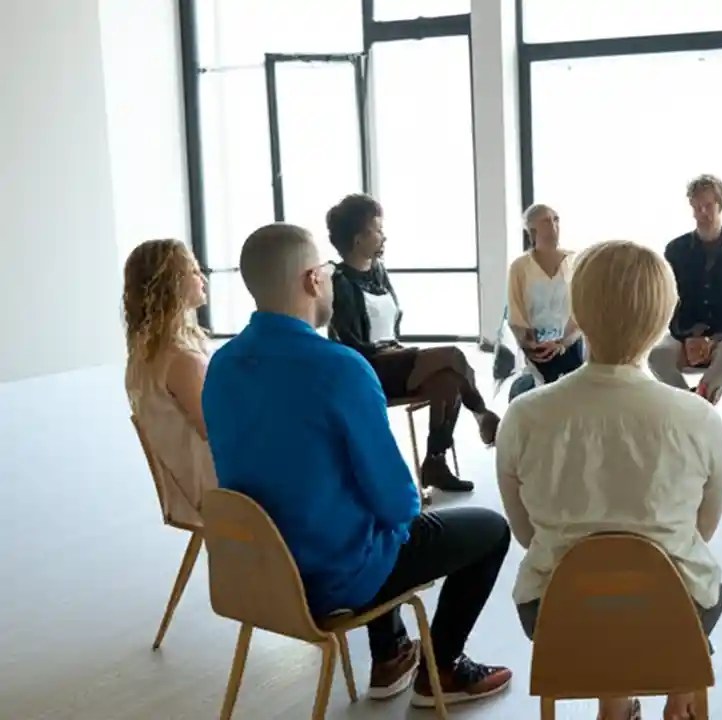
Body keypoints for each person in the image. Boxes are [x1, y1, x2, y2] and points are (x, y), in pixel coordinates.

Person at [203, 223, 513, 709]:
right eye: (325, 272)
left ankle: (390, 652)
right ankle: (444, 671)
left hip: (258, 572)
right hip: (332, 577)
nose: (329, 279)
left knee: (348, 506)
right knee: (490, 530)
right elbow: (399, 504)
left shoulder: (221, 365)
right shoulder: (339, 368)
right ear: (312, 281)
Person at [497, 240, 722, 720]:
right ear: (665, 317)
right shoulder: (696, 417)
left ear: (576, 312)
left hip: (555, 616)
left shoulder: (524, 415)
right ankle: (678, 684)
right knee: (697, 582)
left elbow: (526, 533)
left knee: (595, 592)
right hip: (675, 616)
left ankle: (614, 706)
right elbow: (702, 531)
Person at [325, 193, 500, 494]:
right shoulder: (339, 282)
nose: (384, 236)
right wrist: (394, 353)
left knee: (448, 379)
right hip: (368, 369)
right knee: (454, 355)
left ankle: (435, 462)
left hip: (395, 358)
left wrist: (398, 351)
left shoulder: (378, 273)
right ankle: (482, 414)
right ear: (358, 238)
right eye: (377, 230)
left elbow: (390, 327)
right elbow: (349, 346)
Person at [122, 239, 216, 527]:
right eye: (193, 271)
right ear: (171, 284)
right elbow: (217, 430)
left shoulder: (143, 354)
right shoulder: (181, 359)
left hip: (184, 491)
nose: (202, 278)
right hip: (215, 492)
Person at [648, 174, 722, 403]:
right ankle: (690, 404)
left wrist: (714, 338)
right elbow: (668, 300)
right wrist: (687, 336)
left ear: (721, 205)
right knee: (656, 355)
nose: (703, 213)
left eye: (708, 206)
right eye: (697, 207)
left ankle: (702, 401)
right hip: (685, 332)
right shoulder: (676, 249)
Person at [507, 202, 583, 387]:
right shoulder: (520, 267)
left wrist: (562, 343)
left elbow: (582, 312)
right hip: (537, 349)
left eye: (556, 219)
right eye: (546, 221)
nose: (553, 225)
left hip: (570, 345)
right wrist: (530, 344)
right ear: (532, 231)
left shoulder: (575, 262)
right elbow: (516, 315)